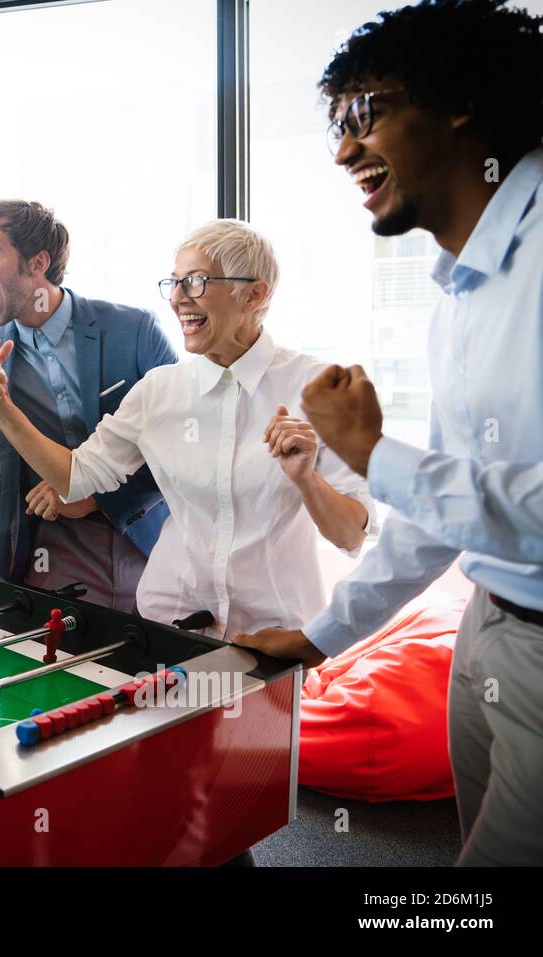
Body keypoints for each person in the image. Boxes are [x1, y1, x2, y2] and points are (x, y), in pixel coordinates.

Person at [234, 0, 543, 866]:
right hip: (489, 620)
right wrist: (322, 634)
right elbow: (447, 509)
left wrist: (372, 452)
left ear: (459, 103)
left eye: (363, 113)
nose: (341, 150)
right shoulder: (460, 286)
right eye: (338, 124)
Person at [0, 219, 374, 639]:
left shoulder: (318, 387)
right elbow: (73, 477)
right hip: (169, 622)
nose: (178, 299)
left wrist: (306, 478)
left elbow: (350, 534)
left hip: (277, 635)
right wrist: (1, 408)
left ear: (255, 293)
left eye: (195, 282)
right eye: (174, 283)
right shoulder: (159, 391)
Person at [0, 200, 176, 612]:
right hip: (42, 567)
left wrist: (91, 494)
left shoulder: (134, 332)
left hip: (147, 553)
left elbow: (182, 448)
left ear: (37, 262)